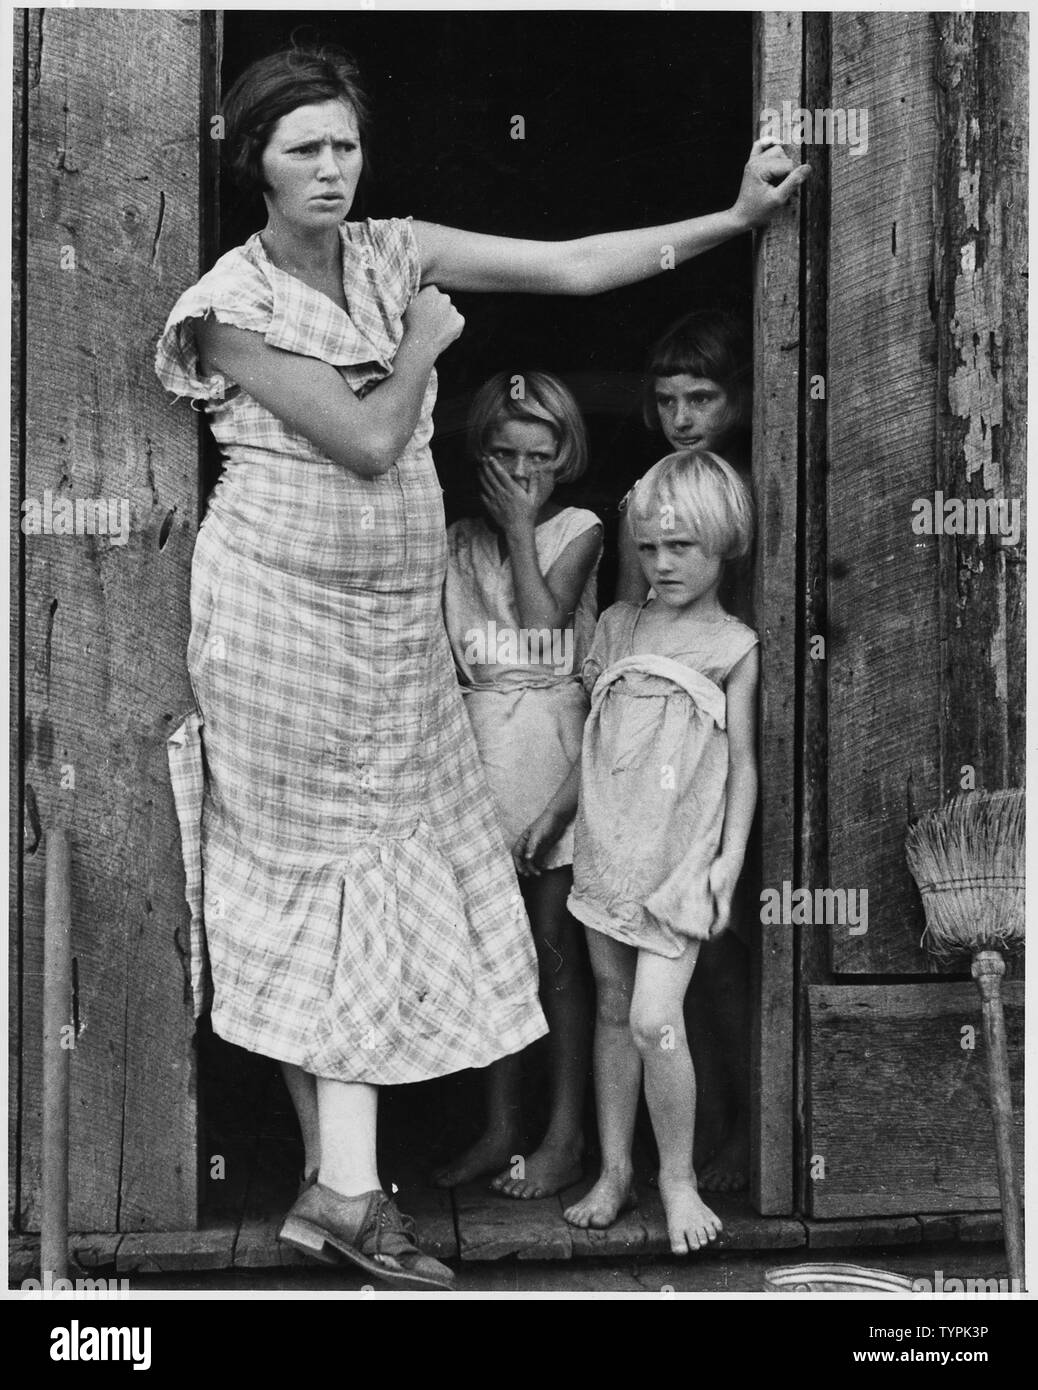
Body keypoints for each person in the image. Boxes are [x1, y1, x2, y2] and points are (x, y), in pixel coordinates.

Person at [154, 41, 805, 1290]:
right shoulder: (227, 306)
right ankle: (343, 1183)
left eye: (347, 144)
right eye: (307, 151)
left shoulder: (395, 249)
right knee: (309, 882)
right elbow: (362, 437)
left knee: (384, 883)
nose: (335, 170)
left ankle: (336, 1187)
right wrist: (425, 345)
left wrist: (731, 217)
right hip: (277, 626)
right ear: (258, 167)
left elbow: (568, 267)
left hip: (392, 630)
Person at [519, 450, 759, 1254]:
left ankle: (676, 1176)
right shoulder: (619, 625)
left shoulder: (733, 645)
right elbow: (595, 738)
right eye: (650, 547)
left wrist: (728, 863)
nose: (662, 564)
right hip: (606, 851)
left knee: (658, 1020)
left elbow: (746, 768)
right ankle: (615, 1169)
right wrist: (557, 815)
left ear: (725, 543)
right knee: (615, 1009)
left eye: (682, 547)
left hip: (678, 864)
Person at [435, 372, 600, 1199]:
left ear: (564, 457)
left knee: (556, 953)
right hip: (478, 754)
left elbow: (542, 637)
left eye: (538, 455)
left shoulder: (579, 528)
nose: (521, 470)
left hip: (554, 745)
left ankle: (565, 1134)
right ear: (480, 455)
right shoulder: (457, 539)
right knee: (495, 956)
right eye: (504, 454)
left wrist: (522, 526)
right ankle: (500, 1126)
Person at [616, 310, 755, 1191]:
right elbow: (637, 626)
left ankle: (753, 1126)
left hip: (738, 722)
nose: (683, 415)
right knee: (678, 975)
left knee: (737, 957)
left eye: (701, 396)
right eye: (667, 398)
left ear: (738, 396)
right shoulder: (654, 493)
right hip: (664, 754)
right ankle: (693, 1142)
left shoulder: (746, 483)